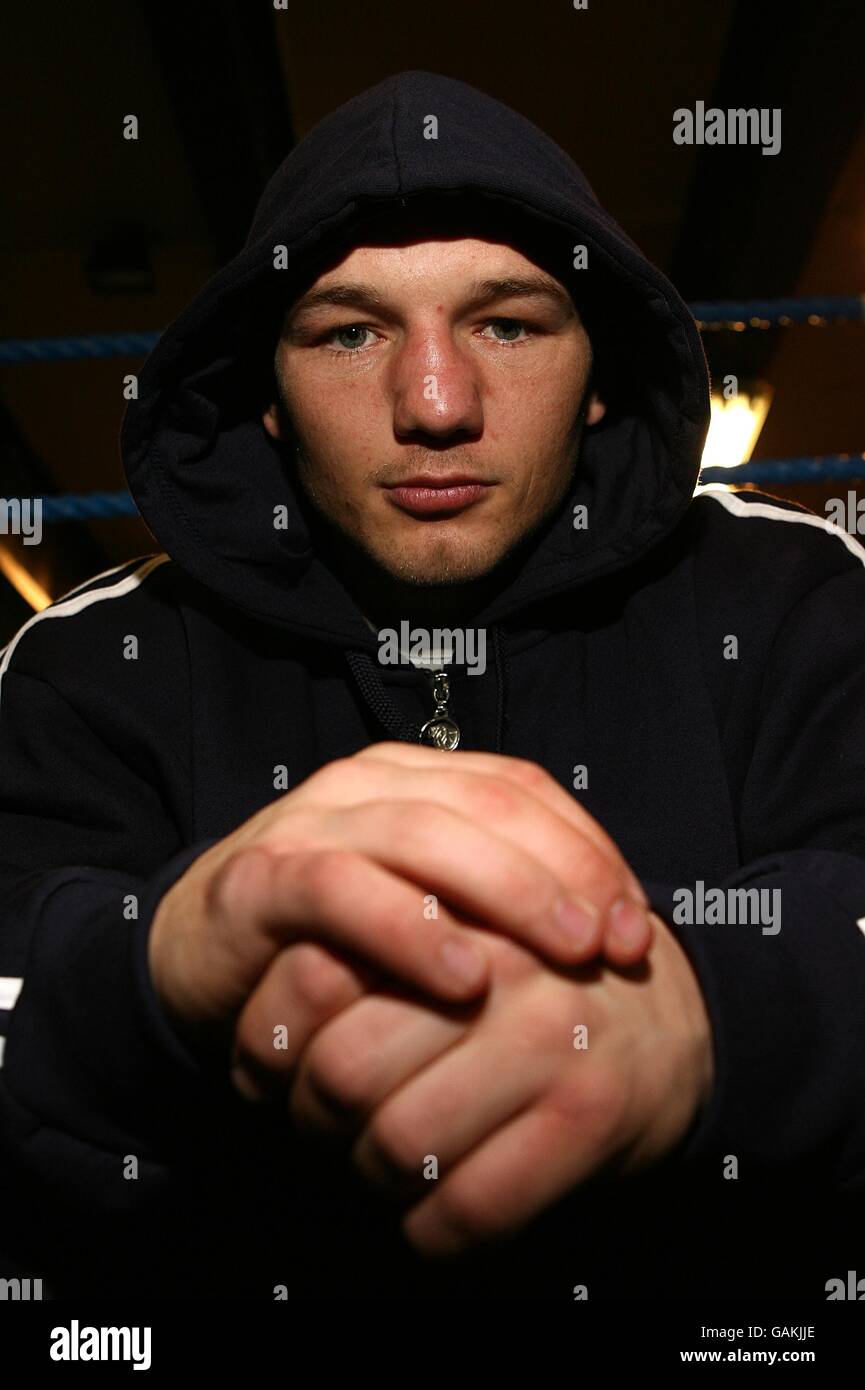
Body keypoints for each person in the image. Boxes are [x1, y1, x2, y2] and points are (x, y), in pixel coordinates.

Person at [1, 69, 864, 1302]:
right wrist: (150, 973)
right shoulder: (96, 661)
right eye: (350, 332)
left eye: (506, 323)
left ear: (601, 367)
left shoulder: (792, 593)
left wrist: (709, 1022)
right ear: (267, 393)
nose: (436, 405)